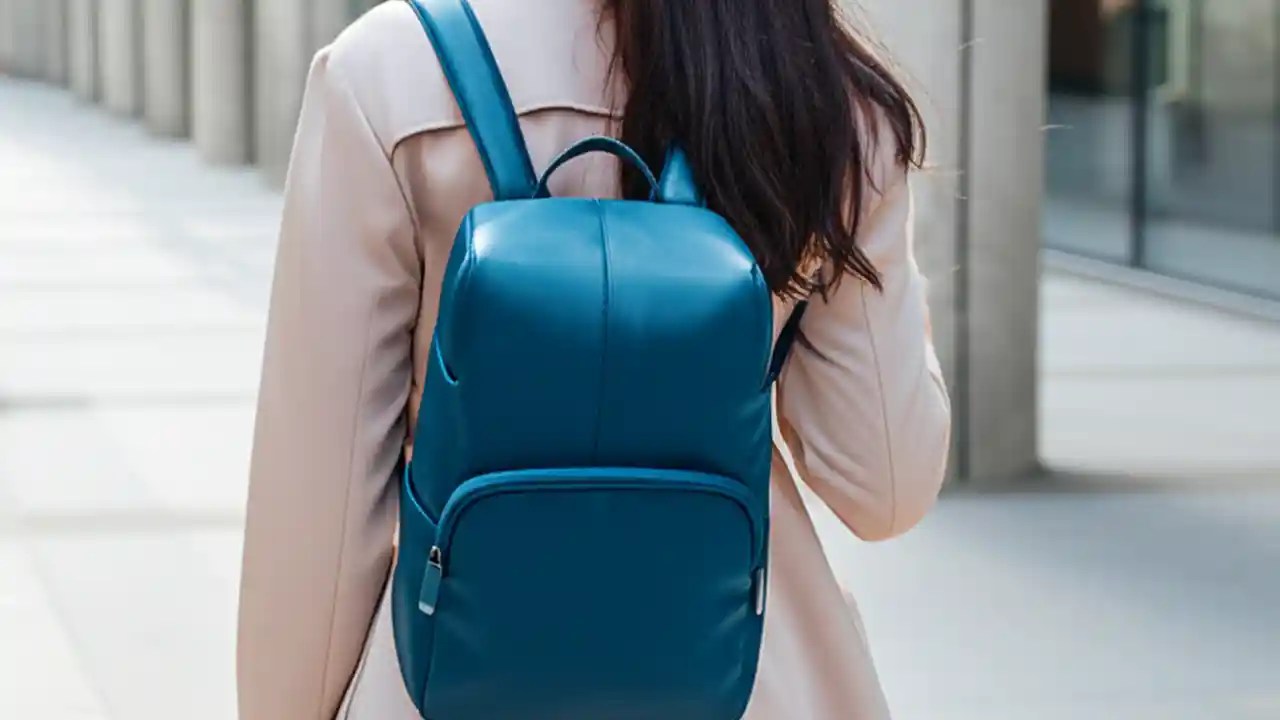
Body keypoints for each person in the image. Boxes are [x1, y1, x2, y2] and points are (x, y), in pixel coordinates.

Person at [236, 0, 952, 718]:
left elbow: (316, 549)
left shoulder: (387, 73)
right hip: (745, 673)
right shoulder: (822, 86)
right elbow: (884, 484)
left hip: (456, 673)